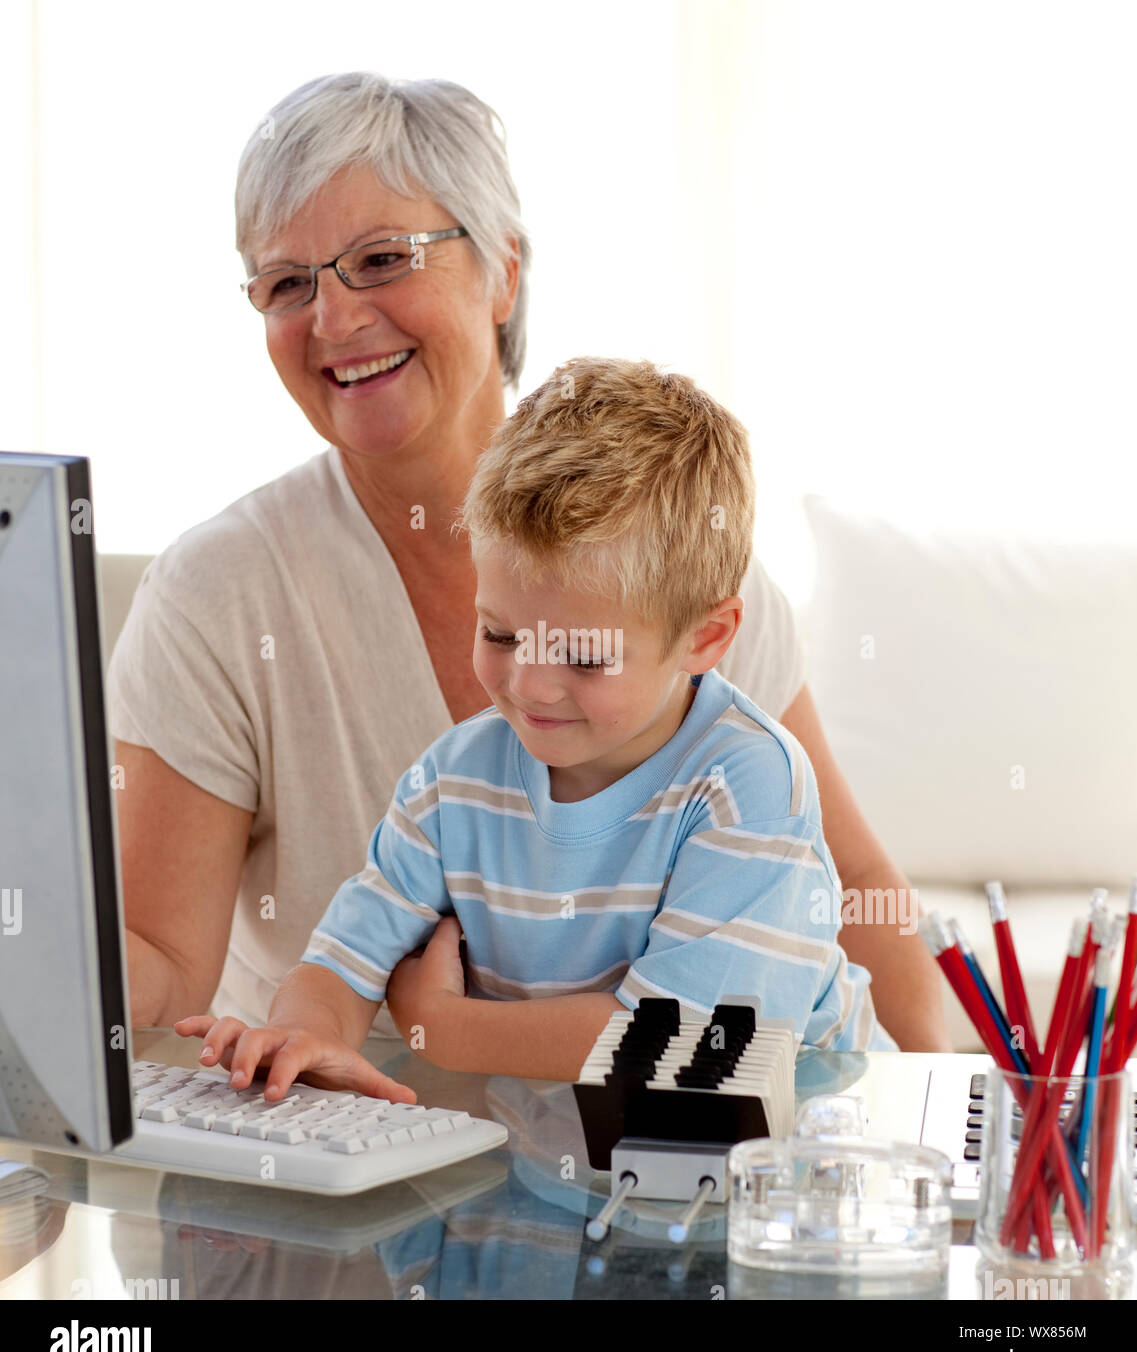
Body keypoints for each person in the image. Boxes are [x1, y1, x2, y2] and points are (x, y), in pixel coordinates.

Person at [108, 71, 949, 1054]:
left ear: (503, 272)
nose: (333, 320)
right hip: (370, 1165)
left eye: (381, 259)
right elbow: (165, 966)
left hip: (676, 1158)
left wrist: (943, 1128)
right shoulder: (225, 597)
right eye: (287, 284)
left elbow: (847, 909)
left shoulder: (680, 567)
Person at [174, 357, 894, 1099]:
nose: (529, 683)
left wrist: (443, 1029)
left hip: (791, 1161)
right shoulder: (453, 781)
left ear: (706, 638)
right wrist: (306, 1034)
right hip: (579, 1160)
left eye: (583, 656)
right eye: (500, 634)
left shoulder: (748, 783)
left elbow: (682, 1045)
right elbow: (342, 961)